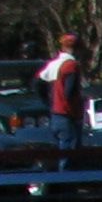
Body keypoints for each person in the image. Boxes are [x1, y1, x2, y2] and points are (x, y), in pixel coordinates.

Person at [38, 32, 87, 170]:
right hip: (68, 115)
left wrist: (48, 101)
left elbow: (38, 82)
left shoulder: (54, 64)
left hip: (56, 114)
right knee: (70, 152)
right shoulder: (72, 65)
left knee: (62, 149)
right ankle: (66, 182)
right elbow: (69, 91)